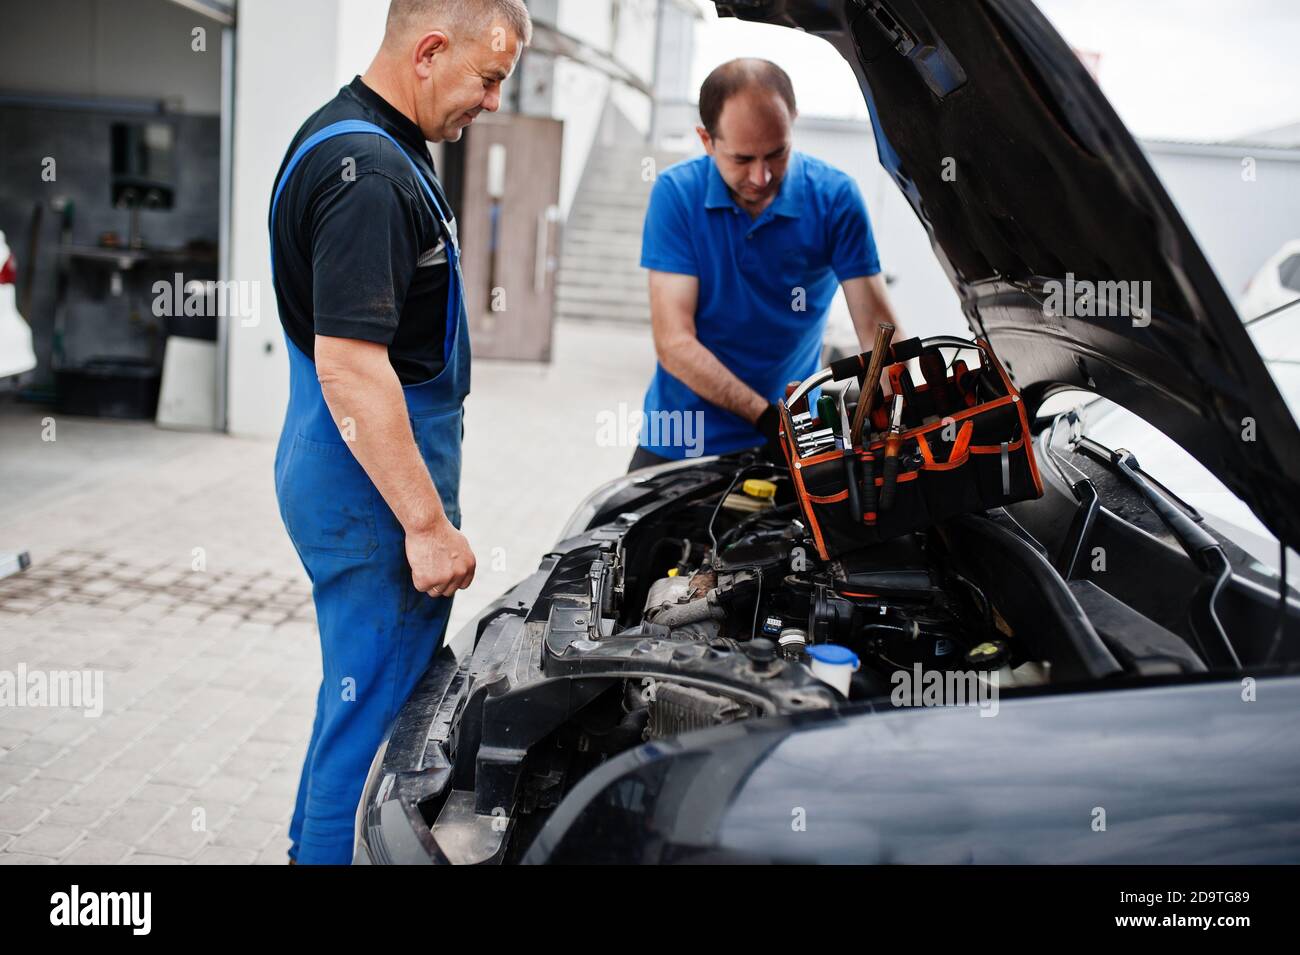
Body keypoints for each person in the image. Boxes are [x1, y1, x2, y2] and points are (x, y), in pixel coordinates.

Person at [266, 0, 531, 864]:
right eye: (489, 79)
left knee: (357, 698)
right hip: (367, 488)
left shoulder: (349, 134)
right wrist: (425, 524)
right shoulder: (370, 173)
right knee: (378, 722)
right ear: (428, 51)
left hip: (339, 462)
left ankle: (313, 844)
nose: (494, 103)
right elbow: (350, 366)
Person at [631, 58, 901, 471]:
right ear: (706, 140)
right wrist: (766, 419)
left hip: (795, 442)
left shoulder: (835, 199)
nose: (761, 176)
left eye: (777, 154)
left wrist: (905, 410)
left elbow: (877, 329)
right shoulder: (676, 195)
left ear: (792, 122)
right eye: (742, 159)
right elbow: (674, 342)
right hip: (679, 440)